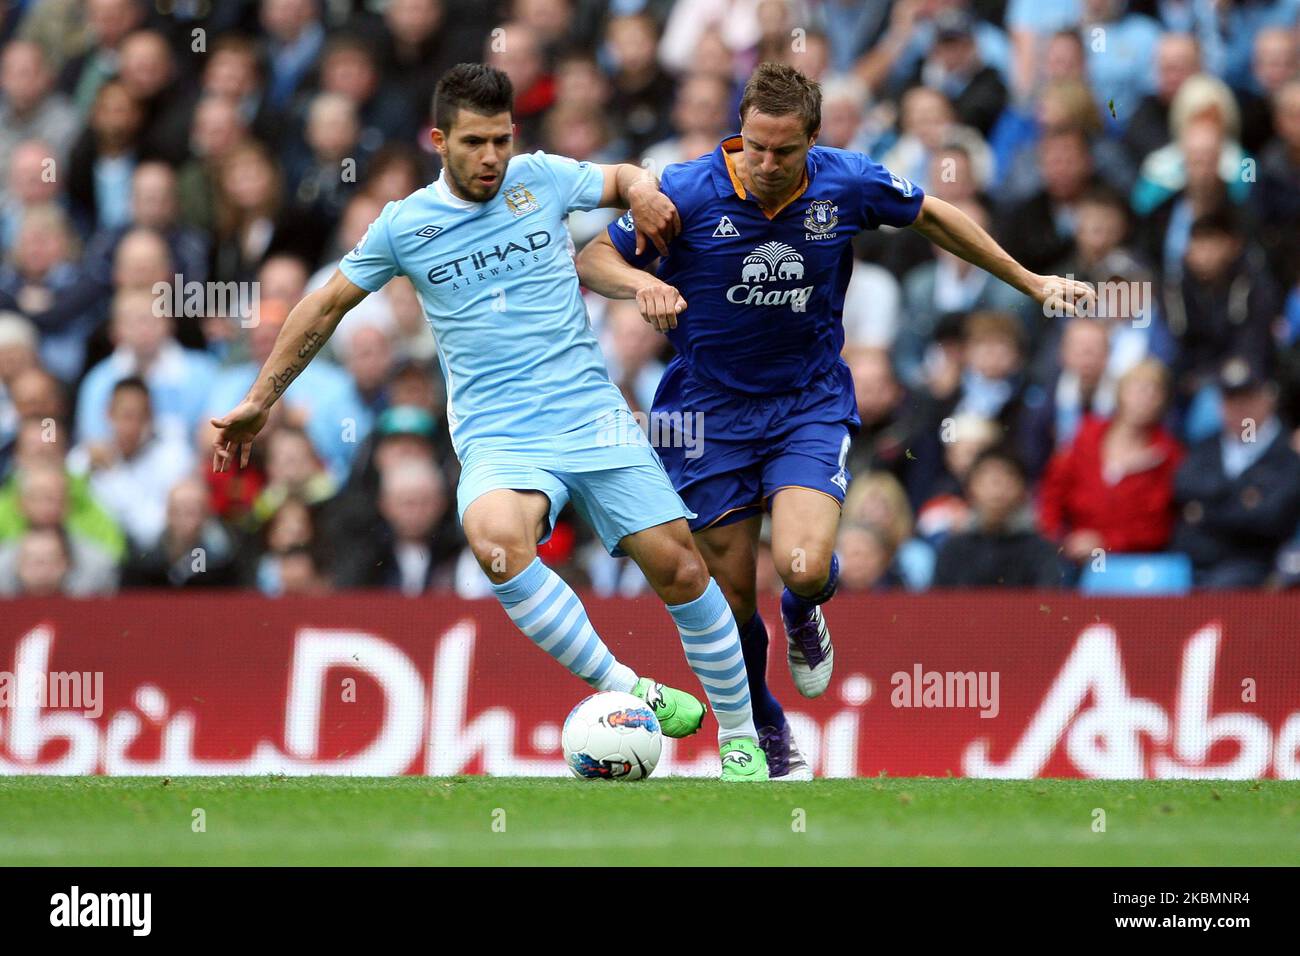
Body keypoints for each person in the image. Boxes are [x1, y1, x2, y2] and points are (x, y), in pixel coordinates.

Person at [210, 63, 770, 781]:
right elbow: (324, 306)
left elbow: (624, 174)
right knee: (495, 542)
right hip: (500, 435)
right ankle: (628, 689)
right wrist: (263, 396)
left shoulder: (544, 177)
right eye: (475, 143)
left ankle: (740, 738)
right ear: (440, 140)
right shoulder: (404, 225)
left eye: (502, 141)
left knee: (682, 568)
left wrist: (645, 192)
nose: (491, 159)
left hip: (591, 416)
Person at [576, 62, 1094, 777]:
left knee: (802, 563)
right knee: (726, 602)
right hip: (708, 414)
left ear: (811, 141)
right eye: (753, 145)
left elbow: (935, 216)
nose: (763, 162)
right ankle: (761, 719)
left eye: (782, 151)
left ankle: (805, 607)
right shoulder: (685, 191)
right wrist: (640, 283)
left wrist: (1032, 281)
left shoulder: (846, 182)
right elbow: (594, 255)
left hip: (806, 404)